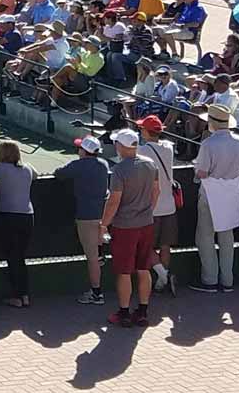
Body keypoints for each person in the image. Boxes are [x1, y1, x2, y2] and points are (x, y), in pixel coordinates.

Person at [99, 130, 160, 327]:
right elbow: (156, 191)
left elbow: (114, 200)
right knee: (143, 268)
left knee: (124, 271)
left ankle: (124, 313)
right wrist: (147, 211)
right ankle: (142, 312)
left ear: (121, 146)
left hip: (125, 227)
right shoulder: (150, 164)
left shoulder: (119, 170)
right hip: (146, 224)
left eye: (117, 143)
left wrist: (103, 225)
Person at [192, 107, 239, 293]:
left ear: (211, 122)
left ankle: (210, 280)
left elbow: (202, 172)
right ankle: (227, 280)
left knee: (205, 236)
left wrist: (196, 168)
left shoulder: (208, 144)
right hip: (231, 192)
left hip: (210, 192)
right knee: (226, 236)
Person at [54, 136, 110, 304]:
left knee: (92, 258)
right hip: (103, 215)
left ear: (84, 151)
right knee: (96, 253)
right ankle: (101, 252)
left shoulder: (77, 165)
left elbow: (59, 173)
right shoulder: (103, 164)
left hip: (86, 216)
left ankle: (96, 293)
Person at [0, 141, 35, 307]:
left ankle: (17, 296)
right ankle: (24, 295)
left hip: (9, 217)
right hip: (27, 216)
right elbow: (36, 175)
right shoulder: (28, 168)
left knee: (12, 257)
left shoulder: (0, 168)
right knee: (20, 256)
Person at [138, 116, 181, 294]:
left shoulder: (142, 151)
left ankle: (163, 276)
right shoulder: (168, 148)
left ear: (146, 132)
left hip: (152, 207)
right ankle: (162, 283)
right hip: (169, 205)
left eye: (142, 129)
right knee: (165, 245)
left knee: (145, 246)